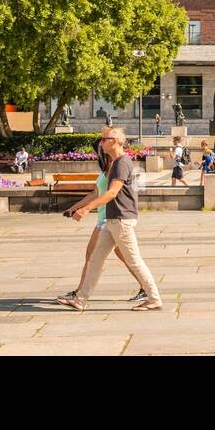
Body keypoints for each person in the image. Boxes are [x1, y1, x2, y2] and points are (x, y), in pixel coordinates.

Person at [58, 128, 161, 312]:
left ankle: (153, 298)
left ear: (114, 141)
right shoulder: (115, 163)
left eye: (104, 140)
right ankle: (81, 299)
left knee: (134, 260)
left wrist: (87, 208)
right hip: (112, 219)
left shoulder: (122, 162)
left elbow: (112, 192)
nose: (101, 143)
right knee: (96, 259)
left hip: (121, 219)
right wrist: (78, 207)